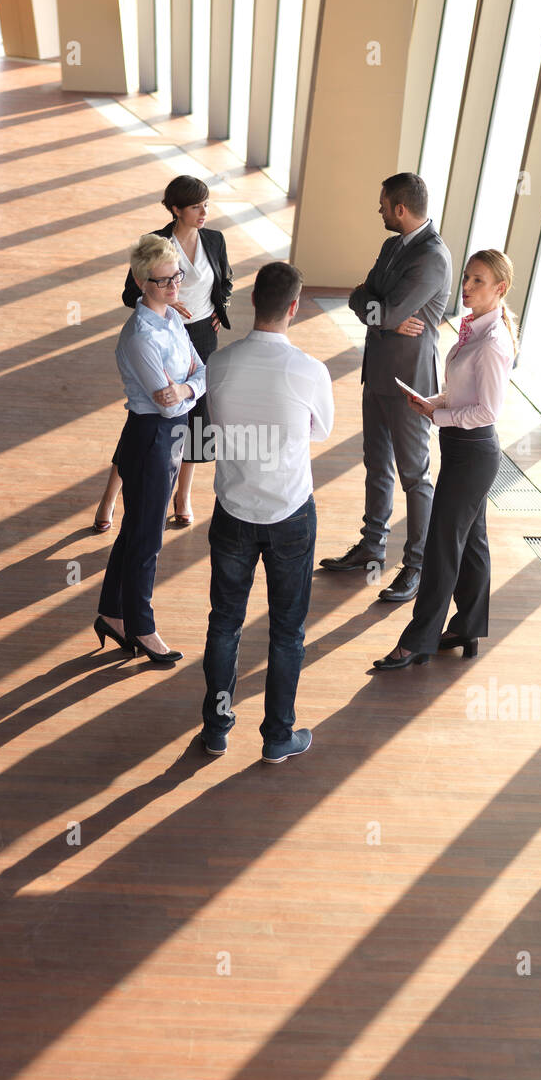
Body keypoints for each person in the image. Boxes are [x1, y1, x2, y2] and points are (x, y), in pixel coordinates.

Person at [199, 262, 334, 763]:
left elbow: (214, 423)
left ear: (253, 303)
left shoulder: (220, 364)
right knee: (286, 630)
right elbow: (320, 431)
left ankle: (215, 728)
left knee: (225, 622)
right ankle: (278, 735)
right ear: (294, 308)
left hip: (233, 509)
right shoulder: (309, 371)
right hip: (289, 514)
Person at [372, 249, 518, 672]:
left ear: (500, 289)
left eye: (477, 281)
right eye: (467, 278)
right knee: (471, 543)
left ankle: (418, 639)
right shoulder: (474, 330)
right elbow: (463, 394)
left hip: (473, 454)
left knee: (441, 547)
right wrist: (432, 403)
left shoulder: (492, 343)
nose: (467, 287)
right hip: (460, 447)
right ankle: (468, 625)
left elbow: (488, 412)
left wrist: (437, 415)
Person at [320, 172, 451, 603]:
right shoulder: (392, 245)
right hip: (377, 371)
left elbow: (385, 305)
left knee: (415, 475)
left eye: (382, 204)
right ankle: (372, 546)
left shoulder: (433, 257)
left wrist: (382, 311)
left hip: (410, 381)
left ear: (400, 208)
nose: (378, 210)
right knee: (376, 464)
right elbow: (362, 296)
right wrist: (380, 313)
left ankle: (415, 565)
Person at [93, 175, 233, 532]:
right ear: (175, 210)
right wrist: (168, 306)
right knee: (149, 414)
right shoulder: (155, 247)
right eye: (195, 206)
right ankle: (110, 497)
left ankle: (182, 495)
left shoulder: (214, 240)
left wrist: (220, 307)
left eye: (206, 204)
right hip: (164, 332)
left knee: (198, 419)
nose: (204, 211)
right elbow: (131, 293)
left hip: (202, 333)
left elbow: (224, 281)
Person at [93, 234, 206, 665]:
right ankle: (141, 626)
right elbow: (167, 401)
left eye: (176, 275)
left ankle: (112, 612)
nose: (175, 286)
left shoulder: (172, 319)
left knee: (137, 530)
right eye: (163, 281)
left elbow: (201, 373)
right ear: (142, 283)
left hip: (169, 435)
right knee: (147, 538)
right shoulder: (140, 336)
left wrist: (186, 387)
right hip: (151, 439)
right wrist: (186, 389)